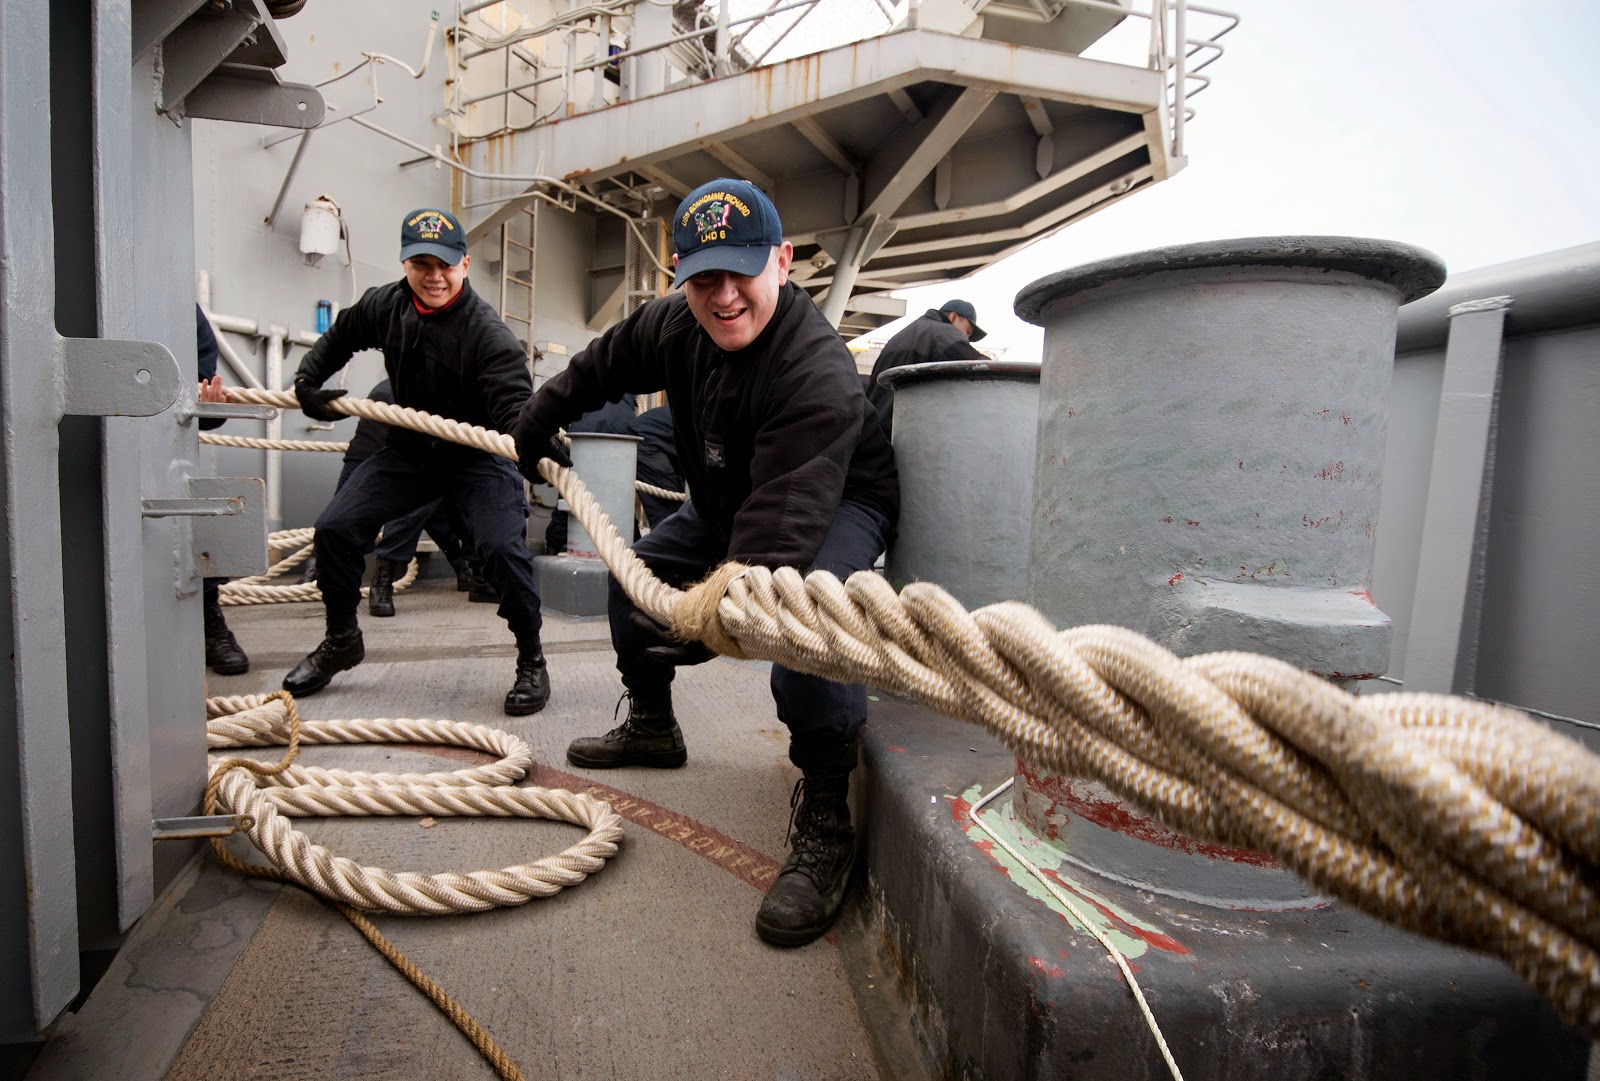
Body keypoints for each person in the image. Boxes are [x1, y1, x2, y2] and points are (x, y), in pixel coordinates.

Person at [513, 178, 899, 947]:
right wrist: (537, 418)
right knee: (636, 580)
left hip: (831, 499)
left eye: (741, 273)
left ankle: (828, 812)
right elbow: (601, 365)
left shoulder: (815, 369)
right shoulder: (674, 325)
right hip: (729, 499)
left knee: (804, 632)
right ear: (680, 278)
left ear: (782, 261)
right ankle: (653, 726)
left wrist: (714, 619)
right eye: (703, 278)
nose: (723, 297)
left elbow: (782, 527)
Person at [284, 207, 549, 716]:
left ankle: (531, 658)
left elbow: (513, 404)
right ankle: (341, 640)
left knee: (501, 550)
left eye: (444, 265)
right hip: (409, 453)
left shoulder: (488, 334)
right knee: (334, 528)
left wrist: (531, 439)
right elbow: (342, 335)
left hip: (477, 457)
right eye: (421, 264)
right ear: (405, 265)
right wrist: (307, 383)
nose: (434, 276)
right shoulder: (385, 305)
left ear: (465, 264)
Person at [335, 379, 481, 617]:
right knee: (343, 520)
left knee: (447, 511)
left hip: (432, 456)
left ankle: (470, 571)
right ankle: (377, 579)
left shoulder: (442, 387)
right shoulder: (398, 388)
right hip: (380, 454)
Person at [197, 305, 250, 676]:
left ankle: (209, 622)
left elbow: (201, 396)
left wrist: (210, 406)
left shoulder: (184, 313)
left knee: (188, 524)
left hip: (154, 450)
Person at [863, 298, 987, 437]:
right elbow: (981, 366)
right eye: (968, 331)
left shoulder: (900, 337)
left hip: (874, 431)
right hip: (901, 433)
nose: (966, 339)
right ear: (953, 317)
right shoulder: (942, 332)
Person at [541, 394, 637, 553]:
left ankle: (553, 547)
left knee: (569, 499)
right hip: (617, 452)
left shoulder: (591, 394)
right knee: (620, 504)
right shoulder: (627, 408)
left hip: (578, 442)